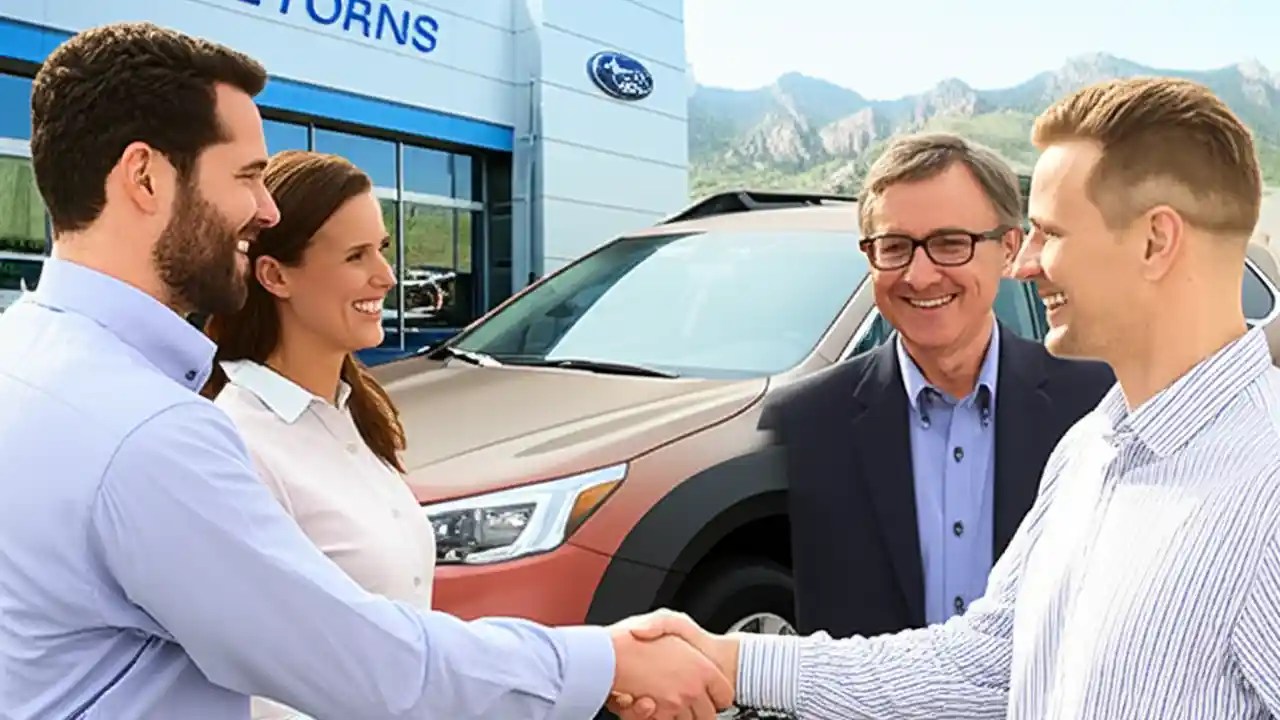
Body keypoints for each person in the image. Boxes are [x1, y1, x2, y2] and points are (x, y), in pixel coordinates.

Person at [0, 21, 731, 720]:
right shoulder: (149, 434)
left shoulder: (28, 355)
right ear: (146, 178)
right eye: (248, 176)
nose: (262, 209)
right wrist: (603, 664)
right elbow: (369, 668)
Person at [613, 76, 1280, 719]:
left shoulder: (1265, 486)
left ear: (1155, 241)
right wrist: (733, 664)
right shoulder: (1091, 451)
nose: (1024, 262)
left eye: (1051, 233)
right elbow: (987, 665)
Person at [762, 132, 1113, 640]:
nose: (920, 275)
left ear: (1009, 249)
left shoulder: (1097, 406)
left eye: (951, 244)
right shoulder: (802, 423)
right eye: (895, 247)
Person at [197, 149, 430, 720]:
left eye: (382, 249)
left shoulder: (355, 414)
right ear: (274, 275)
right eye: (356, 255)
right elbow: (259, 686)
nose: (387, 276)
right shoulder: (238, 442)